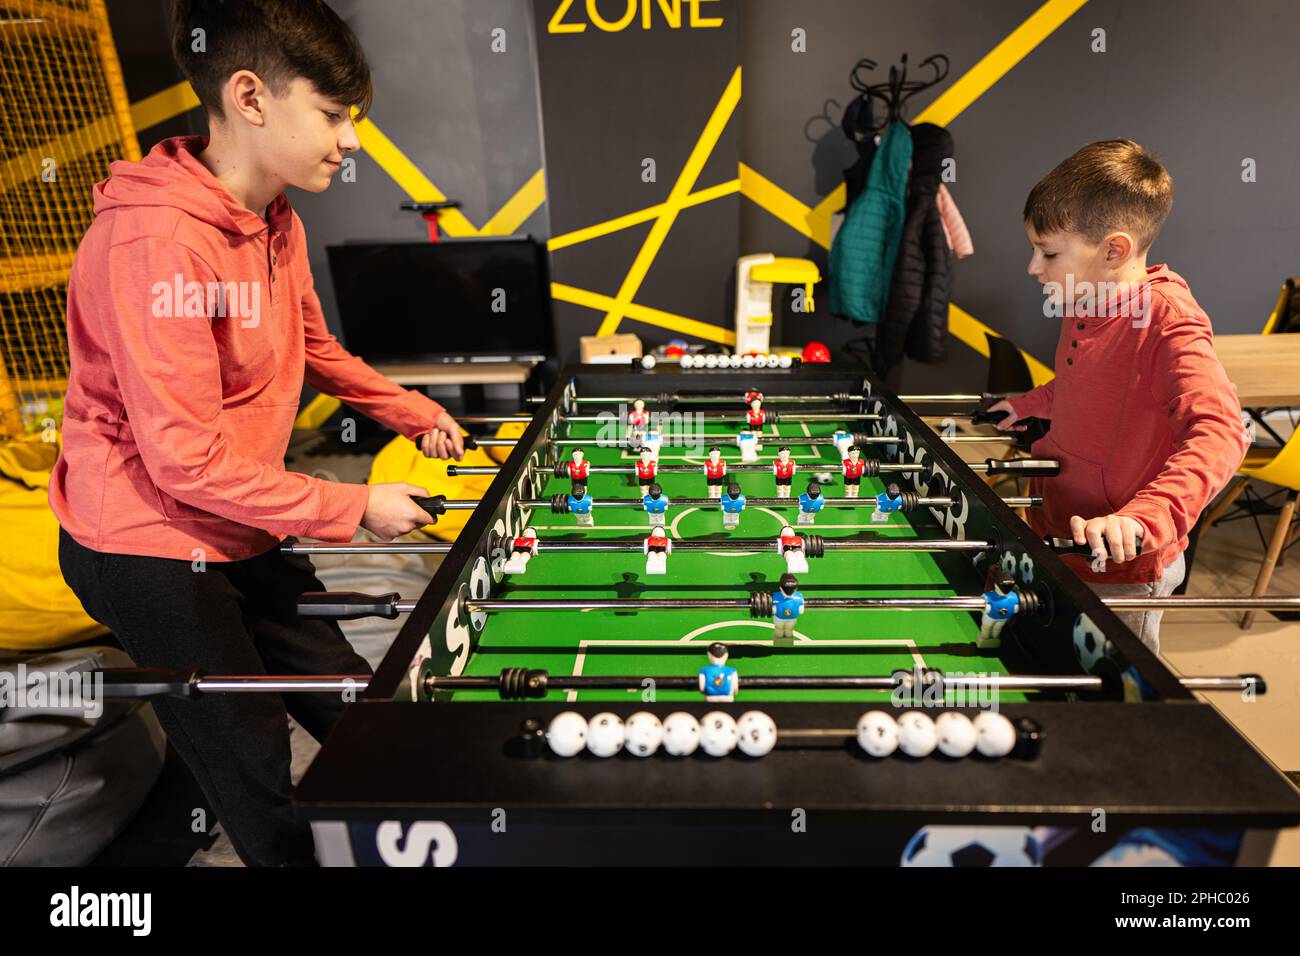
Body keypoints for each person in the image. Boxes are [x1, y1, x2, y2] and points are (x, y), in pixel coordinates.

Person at [50, 0, 465, 866]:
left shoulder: (277, 215)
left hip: (237, 516)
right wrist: (351, 504)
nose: (351, 140)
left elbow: (314, 346)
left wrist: (412, 410)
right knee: (252, 758)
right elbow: (181, 458)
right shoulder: (157, 243)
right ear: (249, 96)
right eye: (335, 114)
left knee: (356, 701)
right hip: (146, 544)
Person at [986, 140, 1248, 652]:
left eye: (1048, 252)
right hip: (1055, 530)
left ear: (1115, 250)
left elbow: (1222, 432)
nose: (1032, 268)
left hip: (1120, 563)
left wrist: (1143, 517)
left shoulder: (1169, 321)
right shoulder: (1085, 297)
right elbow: (1082, 382)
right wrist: (1028, 405)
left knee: (1114, 703)